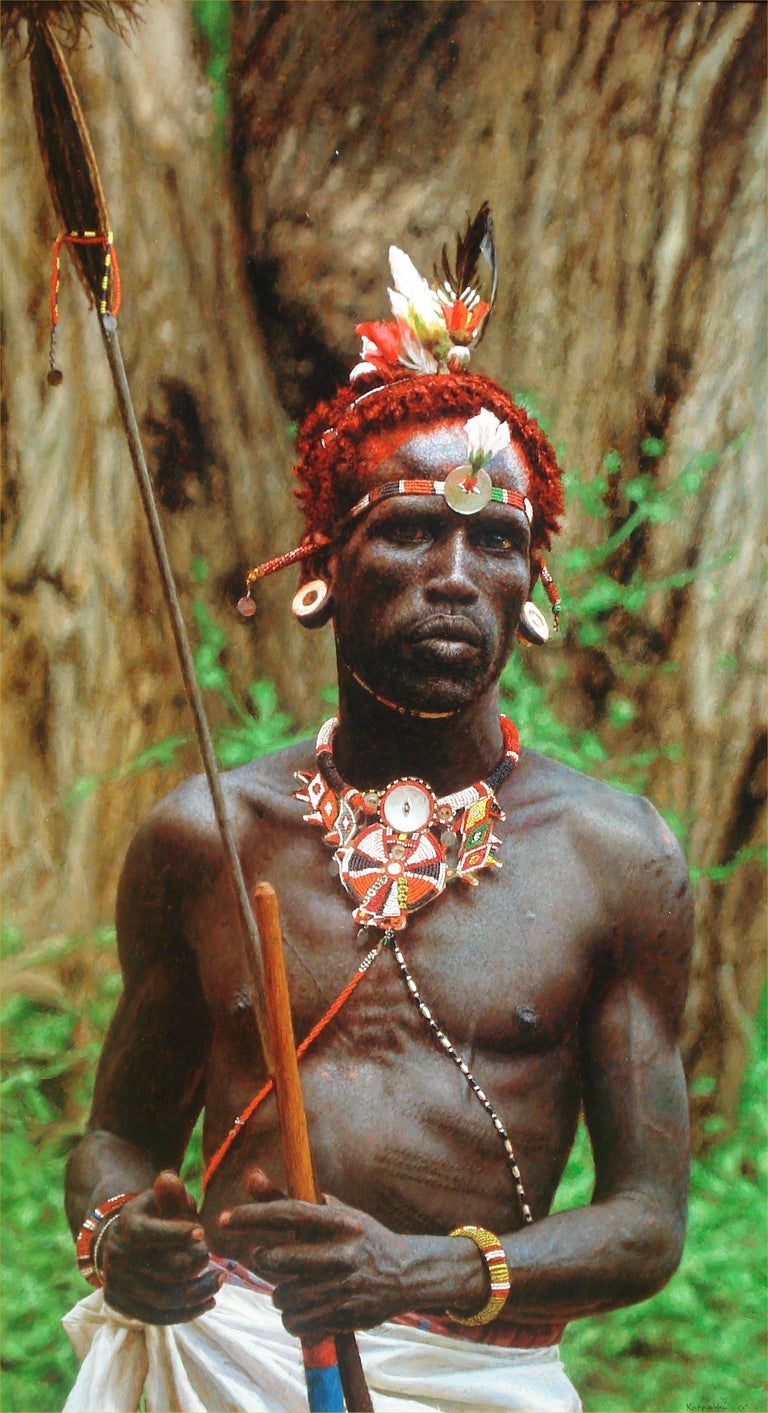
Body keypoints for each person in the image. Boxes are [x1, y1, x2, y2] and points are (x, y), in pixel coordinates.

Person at [62, 211, 693, 1413]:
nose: (457, 575)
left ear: (535, 593)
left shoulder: (616, 859)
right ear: (321, 570)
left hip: (468, 1377)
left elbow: (647, 1226)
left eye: (496, 541)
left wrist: (424, 1273)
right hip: (214, 1366)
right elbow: (116, 1138)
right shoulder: (205, 835)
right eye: (410, 529)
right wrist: (118, 1236)